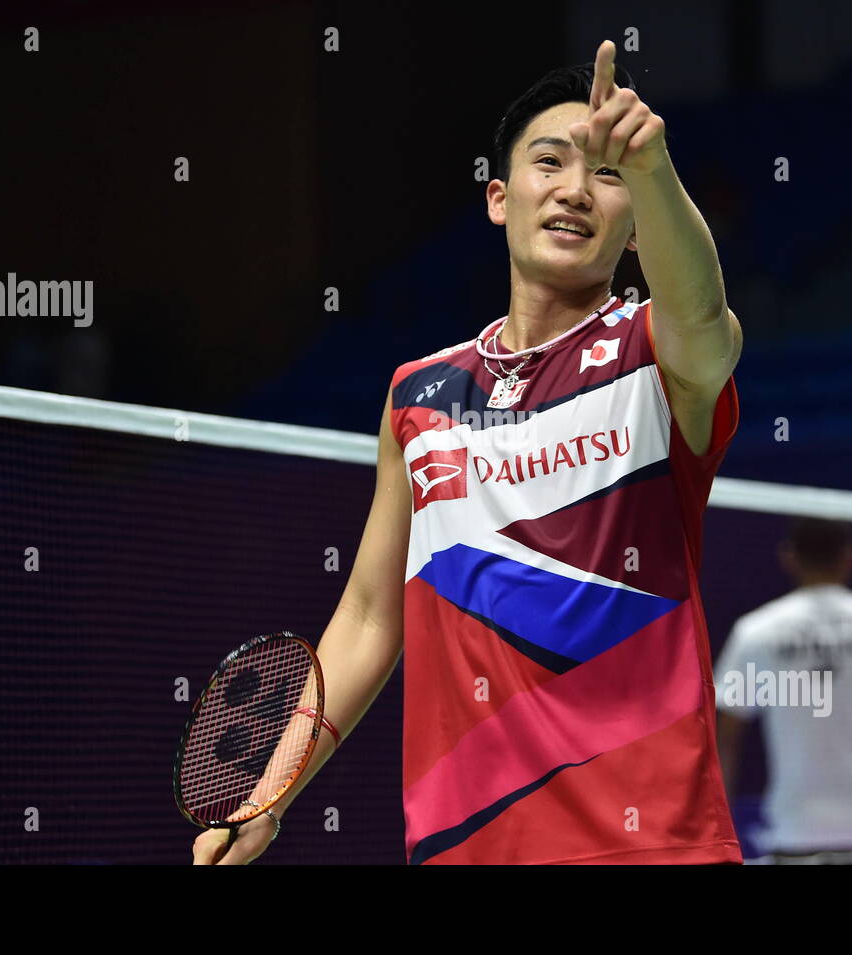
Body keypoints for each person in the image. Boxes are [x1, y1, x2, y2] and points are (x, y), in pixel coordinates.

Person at [195, 39, 743, 864]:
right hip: (465, 843)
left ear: (636, 227)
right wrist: (269, 794)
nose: (572, 189)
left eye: (605, 175)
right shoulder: (418, 394)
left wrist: (655, 168)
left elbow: (703, 315)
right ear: (498, 197)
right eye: (549, 162)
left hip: (650, 844)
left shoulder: (655, 356)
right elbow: (371, 618)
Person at [714, 518, 852, 864]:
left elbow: (723, 741)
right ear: (851, 556)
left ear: (788, 557)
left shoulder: (756, 632)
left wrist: (721, 830)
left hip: (800, 835)